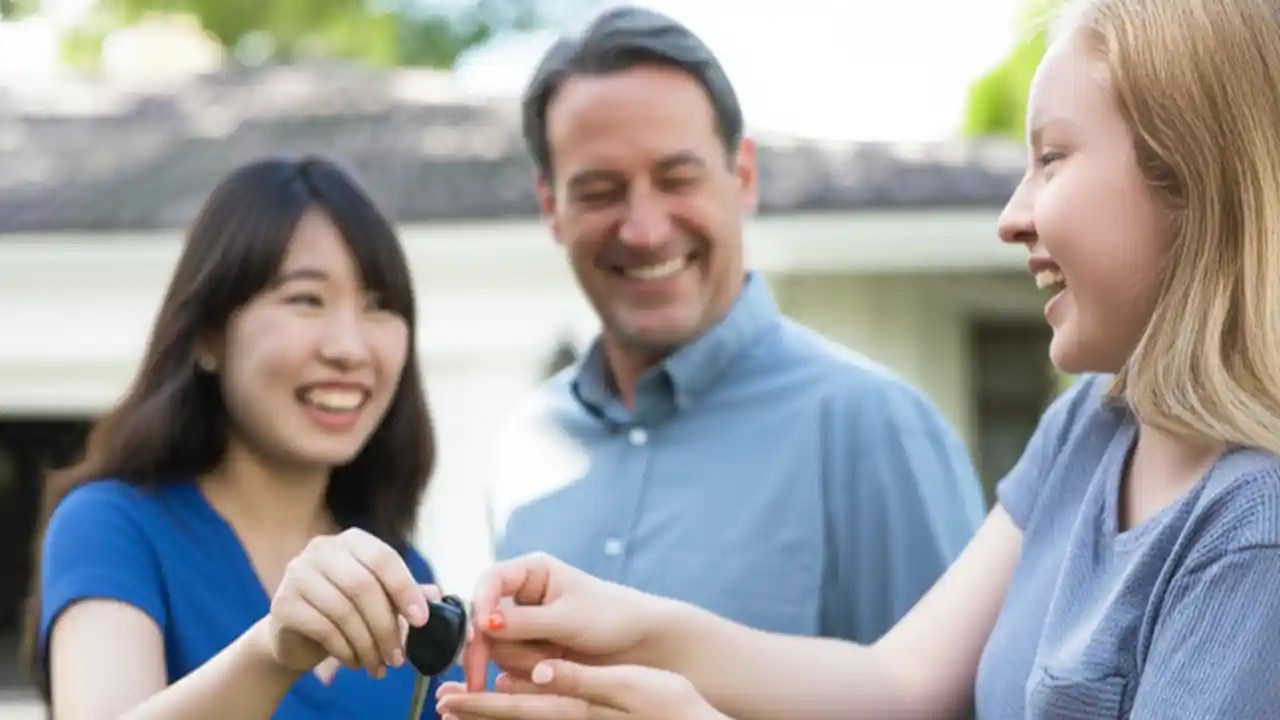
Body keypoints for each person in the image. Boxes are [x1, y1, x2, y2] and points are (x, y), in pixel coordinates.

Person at [437, 0, 1280, 717]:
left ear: (1190, 174)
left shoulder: (1254, 535)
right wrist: (629, 626)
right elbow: (899, 682)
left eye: (1052, 159)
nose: (1011, 215)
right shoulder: (1088, 428)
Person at [482, 4, 985, 650]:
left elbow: (949, 695)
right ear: (552, 206)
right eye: (600, 191)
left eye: (677, 179)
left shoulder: (874, 430)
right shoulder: (523, 448)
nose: (645, 230)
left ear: (742, 177)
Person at [21, 156, 461, 718]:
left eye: (379, 306)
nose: (350, 348)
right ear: (207, 336)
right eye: (306, 299)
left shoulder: (404, 578)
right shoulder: (112, 527)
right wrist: (272, 653)